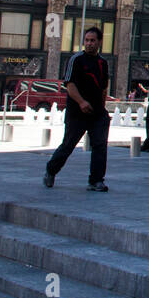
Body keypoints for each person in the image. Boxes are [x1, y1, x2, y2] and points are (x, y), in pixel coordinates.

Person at [43, 26, 111, 192]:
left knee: (100, 146)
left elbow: (103, 88)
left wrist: (101, 110)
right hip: (77, 112)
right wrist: (81, 102)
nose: (89, 44)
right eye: (87, 40)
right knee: (68, 145)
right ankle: (51, 170)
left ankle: (96, 180)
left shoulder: (103, 63)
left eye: (92, 41)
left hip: (96, 113)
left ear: (100, 42)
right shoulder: (76, 60)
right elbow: (70, 85)